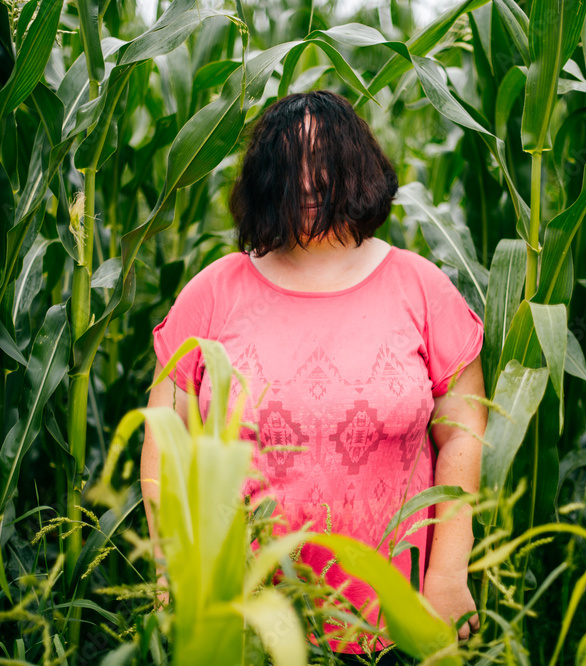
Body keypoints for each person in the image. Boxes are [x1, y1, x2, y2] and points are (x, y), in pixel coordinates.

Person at [141, 90, 487, 660]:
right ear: (264, 179)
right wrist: (168, 571)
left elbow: (463, 438)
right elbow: (163, 444)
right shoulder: (212, 293)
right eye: (290, 164)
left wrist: (448, 577)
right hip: (245, 626)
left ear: (358, 168)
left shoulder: (422, 289)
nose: (307, 182)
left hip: (396, 627)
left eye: (324, 160)